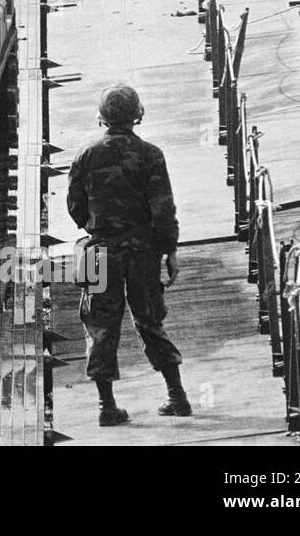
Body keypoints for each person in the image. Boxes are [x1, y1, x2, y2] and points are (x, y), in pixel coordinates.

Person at [68, 84, 190, 427]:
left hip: (100, 250)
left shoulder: (85, 154)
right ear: (138, 115)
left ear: (102, 117)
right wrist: (170, 251)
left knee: (100, 327)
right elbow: (163, 209)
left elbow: (75, 206)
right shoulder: (151, 155)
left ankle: (107, 406)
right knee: (150, 320)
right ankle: (177, 397)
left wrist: (97, 226)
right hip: (141, 250)